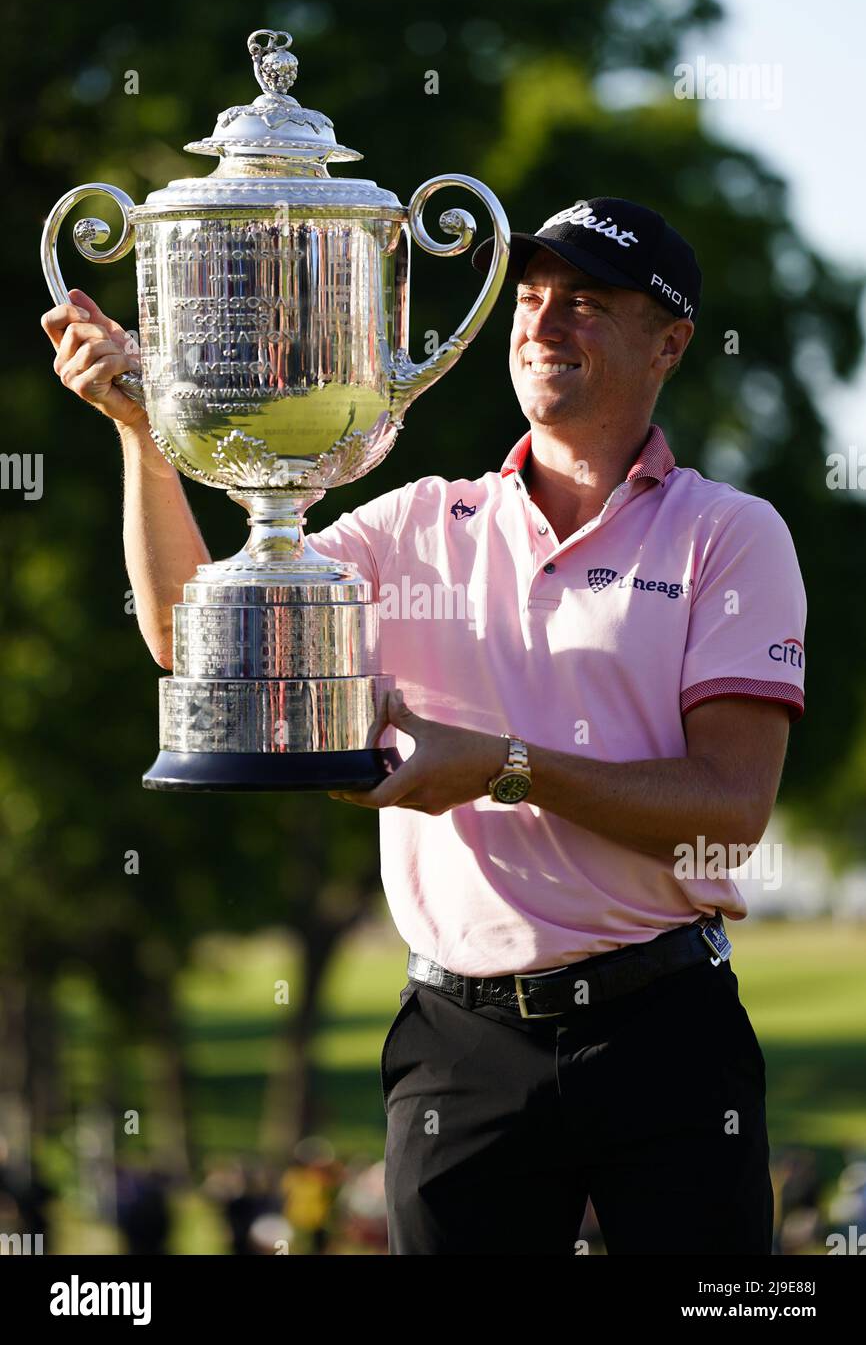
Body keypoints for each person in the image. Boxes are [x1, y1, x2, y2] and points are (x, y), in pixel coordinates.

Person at [42, 195, 806, 1256]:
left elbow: (726, 810)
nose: (542, 325)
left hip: (663, 1030)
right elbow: (197, 641)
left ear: (668, 342)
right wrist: (143, 434)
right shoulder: (416, 522)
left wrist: (499, 768)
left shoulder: (729, 535)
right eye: (528, 298)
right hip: (461, 1046)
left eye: (585, 303)